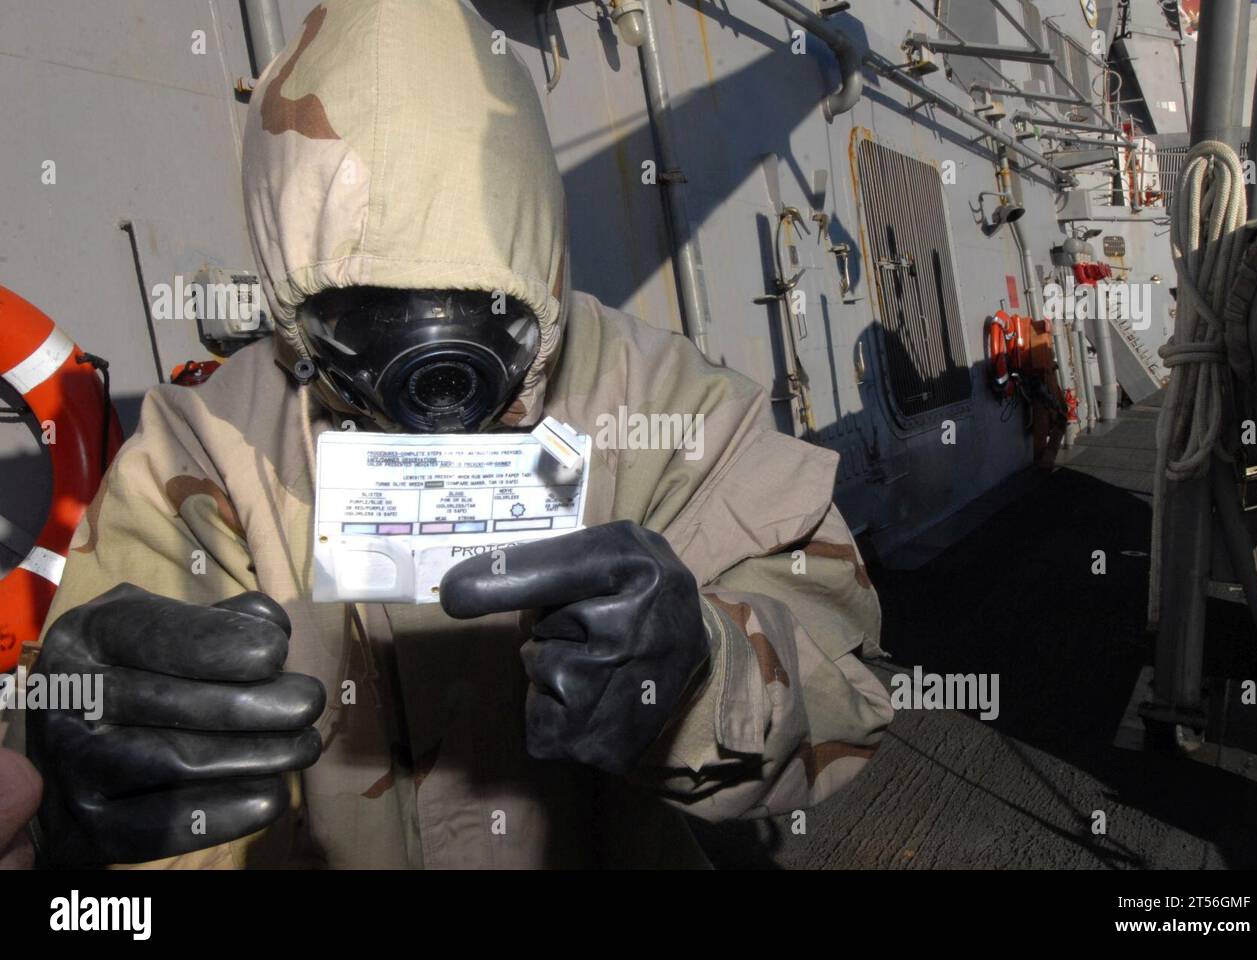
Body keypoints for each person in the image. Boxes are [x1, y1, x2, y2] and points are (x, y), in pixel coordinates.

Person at [26, 0, 892, 869]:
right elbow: (124, 783)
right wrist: (69, 775)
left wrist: (702, 670)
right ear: (295, 307)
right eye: (362, 320)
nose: (433, 383)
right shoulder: (206, 447)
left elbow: (847, 681)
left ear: (538, 277)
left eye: (484, 318)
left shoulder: (661, 404)